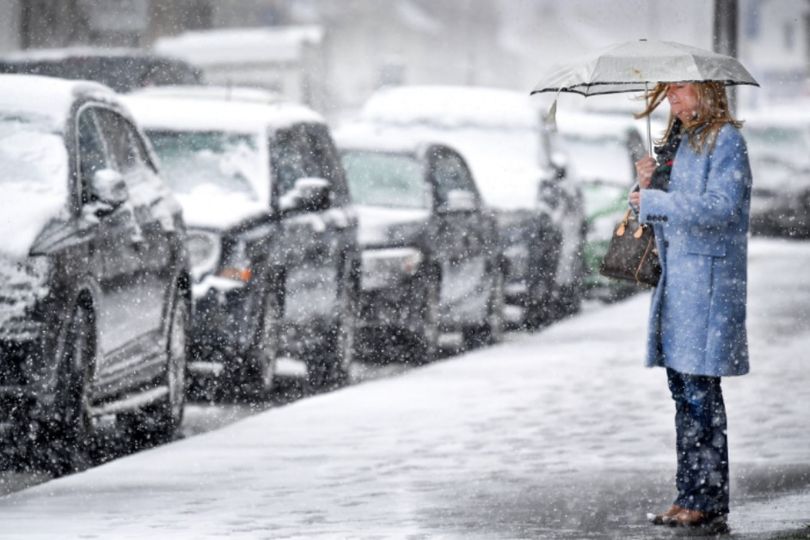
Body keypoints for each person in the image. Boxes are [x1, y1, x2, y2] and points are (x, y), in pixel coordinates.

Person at [629, 81, 752, 532]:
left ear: (707, 92)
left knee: (701, 396)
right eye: (669, 94)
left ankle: (705, 497)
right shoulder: (677, 144)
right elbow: (659, 211)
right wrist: (643, 187)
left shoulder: (726, 141)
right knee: (683, 395)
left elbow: (721, 208)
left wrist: (658, 199)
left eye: (681, 91)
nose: (672, 101)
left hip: (707, 287)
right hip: (679, 286)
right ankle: (690, 496)